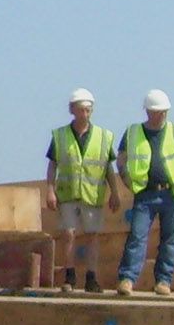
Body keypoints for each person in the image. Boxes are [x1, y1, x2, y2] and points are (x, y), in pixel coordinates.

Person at [115, 89, 174, 296]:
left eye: (164, 111)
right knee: (137, 236)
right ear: (148, 112)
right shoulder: (133, 132)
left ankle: (163, 281)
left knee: (170, 239)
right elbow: (121, 156)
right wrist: (125, 178)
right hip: (145, 193)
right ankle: (127, 279)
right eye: (158, 111)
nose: (162, 115)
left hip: (172, 193)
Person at [44, 88, 121, 291]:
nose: (84, 114)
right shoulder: (60, 136)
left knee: (92, 235)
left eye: (88, 110)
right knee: (68, 233)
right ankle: (69, 277)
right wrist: (50, 190)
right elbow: (53, 164)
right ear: (72, 110)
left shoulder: (103, 137)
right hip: (68, 193)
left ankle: (91, 278)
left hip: (92, 194)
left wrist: (115, 191)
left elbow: (108, 168)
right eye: (80, 110)